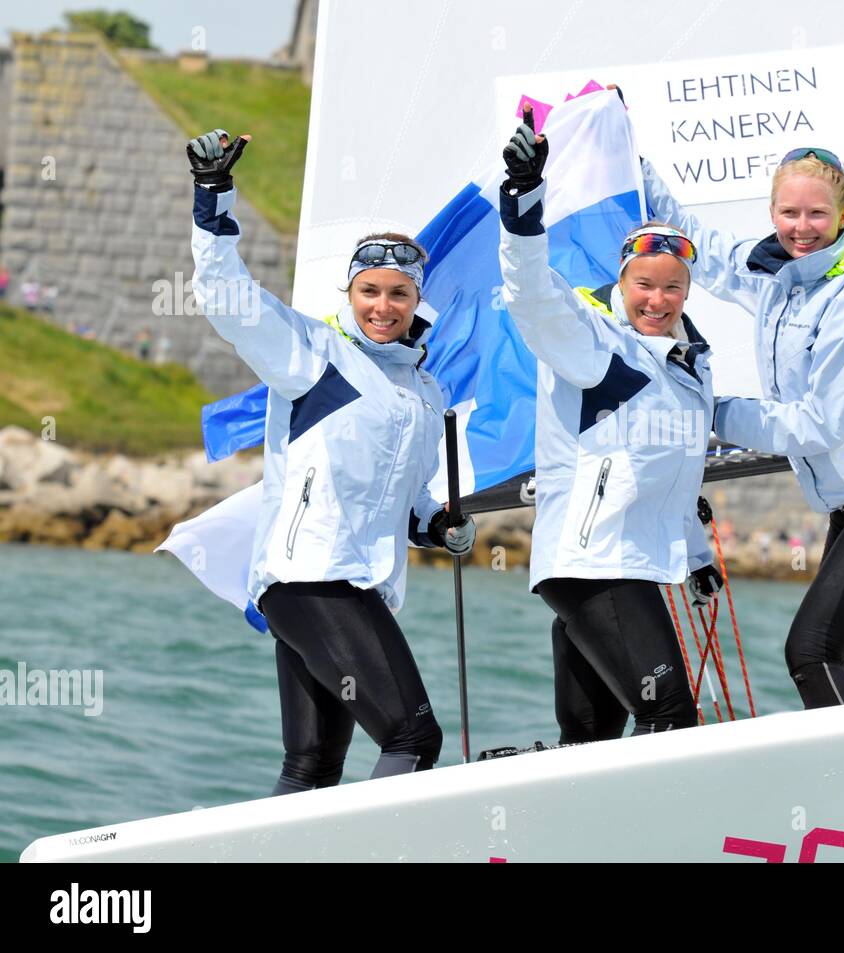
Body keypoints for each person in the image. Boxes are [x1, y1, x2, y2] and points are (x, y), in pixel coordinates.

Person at [186, 128, 475, 793]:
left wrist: (435, 523)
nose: (383, 306)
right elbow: (227, 297)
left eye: (399, 294)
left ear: (415, 300)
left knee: (313, 765)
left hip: (351, 584)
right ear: (351, 292)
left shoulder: (423, 390)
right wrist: (212, 195)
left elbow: (407, 499)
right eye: (370, 290)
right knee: (413, 735)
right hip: (310, 578)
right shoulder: (313, 353)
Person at [641, 145, 844, 709]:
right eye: (789, 213)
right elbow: (702, 249)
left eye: (817, 214)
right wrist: (630, 158)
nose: (802, 227)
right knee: (843, 679)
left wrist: (706, 407)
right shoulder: (778, 276)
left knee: (811, 652)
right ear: (772, 213)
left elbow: (821, 424)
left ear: (843, 214)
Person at [498, 107, 722, 742]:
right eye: (643, 284)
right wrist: (523, 205)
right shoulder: (595, 345)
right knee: (670, 715)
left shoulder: (689, 367)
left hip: (619, 566)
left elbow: (668, 478)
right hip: (593, 563)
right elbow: (533, 298)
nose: (657, 300)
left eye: (672, 287)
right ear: (622, 281)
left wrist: (699, 555)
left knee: (589, 744)